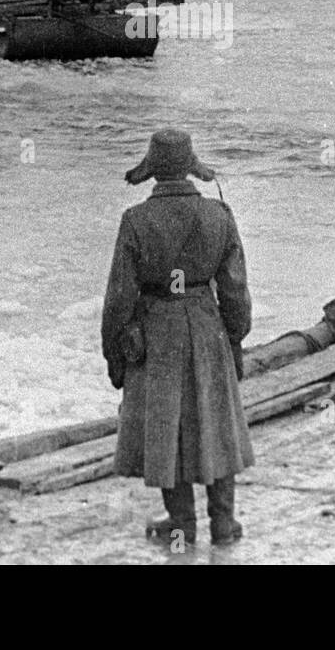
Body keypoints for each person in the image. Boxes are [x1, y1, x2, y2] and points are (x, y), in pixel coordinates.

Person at [102, 129, 253, 547]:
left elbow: (119, 297)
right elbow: (236, 290)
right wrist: (234, 338)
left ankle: (181, 525)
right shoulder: (219, 215)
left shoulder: (135, 221)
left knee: (167, 427)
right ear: (191, 168)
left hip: (158, 331)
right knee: (215, 421)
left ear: (152, 171)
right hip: (208, 326)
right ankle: (223, 525)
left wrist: (114, 352)